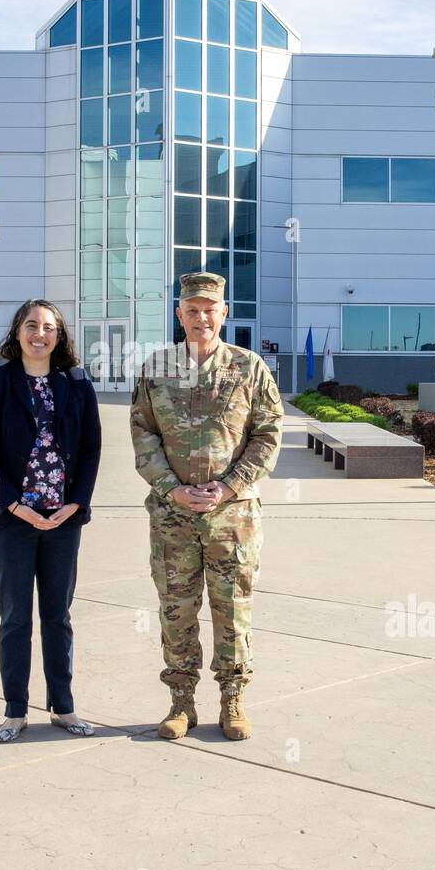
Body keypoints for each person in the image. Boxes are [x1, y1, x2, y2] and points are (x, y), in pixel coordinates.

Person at [129, 272, 283, 741]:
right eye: (191, 310)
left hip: (232, 519)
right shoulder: (158, 368)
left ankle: (232, 700)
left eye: (209, 309)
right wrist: (171, 488)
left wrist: (231, 486)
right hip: (173, 517)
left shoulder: (249, 367)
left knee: (232, 609)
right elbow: (142, 433)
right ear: (180, 315)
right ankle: (181, 703)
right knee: (176, 609)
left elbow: (269, 432)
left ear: (223, 313)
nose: (200, 317)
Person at [0, 299, 102, 743]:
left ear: (59, 336)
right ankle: (14, 711)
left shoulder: (78, 383)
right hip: (10, 520)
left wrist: (77, 503)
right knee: (15, 617)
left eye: (49, 326)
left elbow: (89, 451)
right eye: (31, 325)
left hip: (63, 519)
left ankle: (63, 708)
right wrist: (11, 504)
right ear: (18, 332)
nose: (39, 333)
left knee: (57, 616)